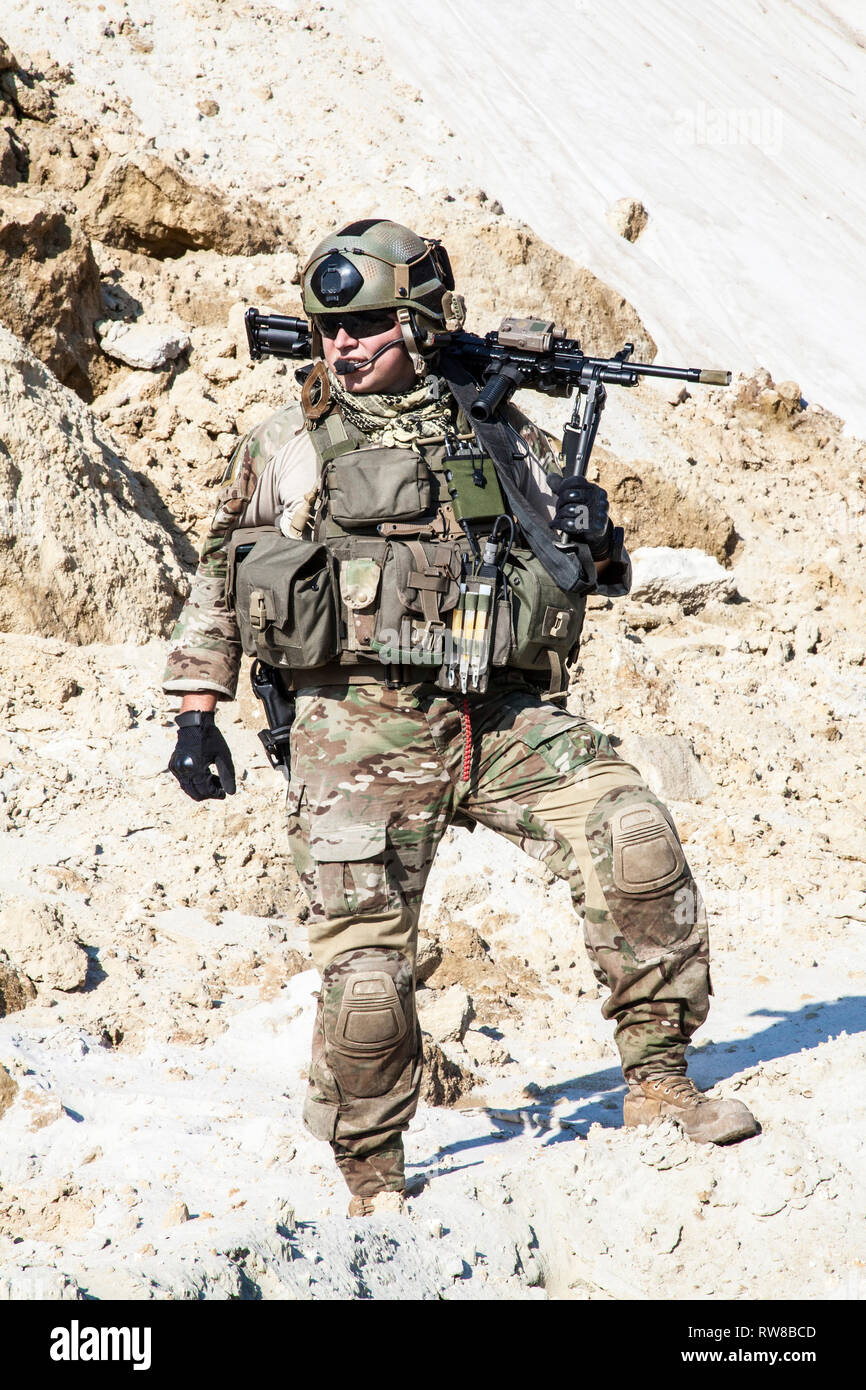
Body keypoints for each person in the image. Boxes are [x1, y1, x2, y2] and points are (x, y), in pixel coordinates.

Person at [164, 218, 758, 1217]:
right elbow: (218, 583)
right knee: (363, 979)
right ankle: (372, 1174)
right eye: (325, 329)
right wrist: (194, 709)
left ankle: (656, 1084)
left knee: (632, 833)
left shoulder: (491, 426)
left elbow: (590, 572)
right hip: (359, 730)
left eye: (362, 326)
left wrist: (595, 537)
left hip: (502, 713)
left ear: (420, 321)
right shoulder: (284, 446)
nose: (340, 346)